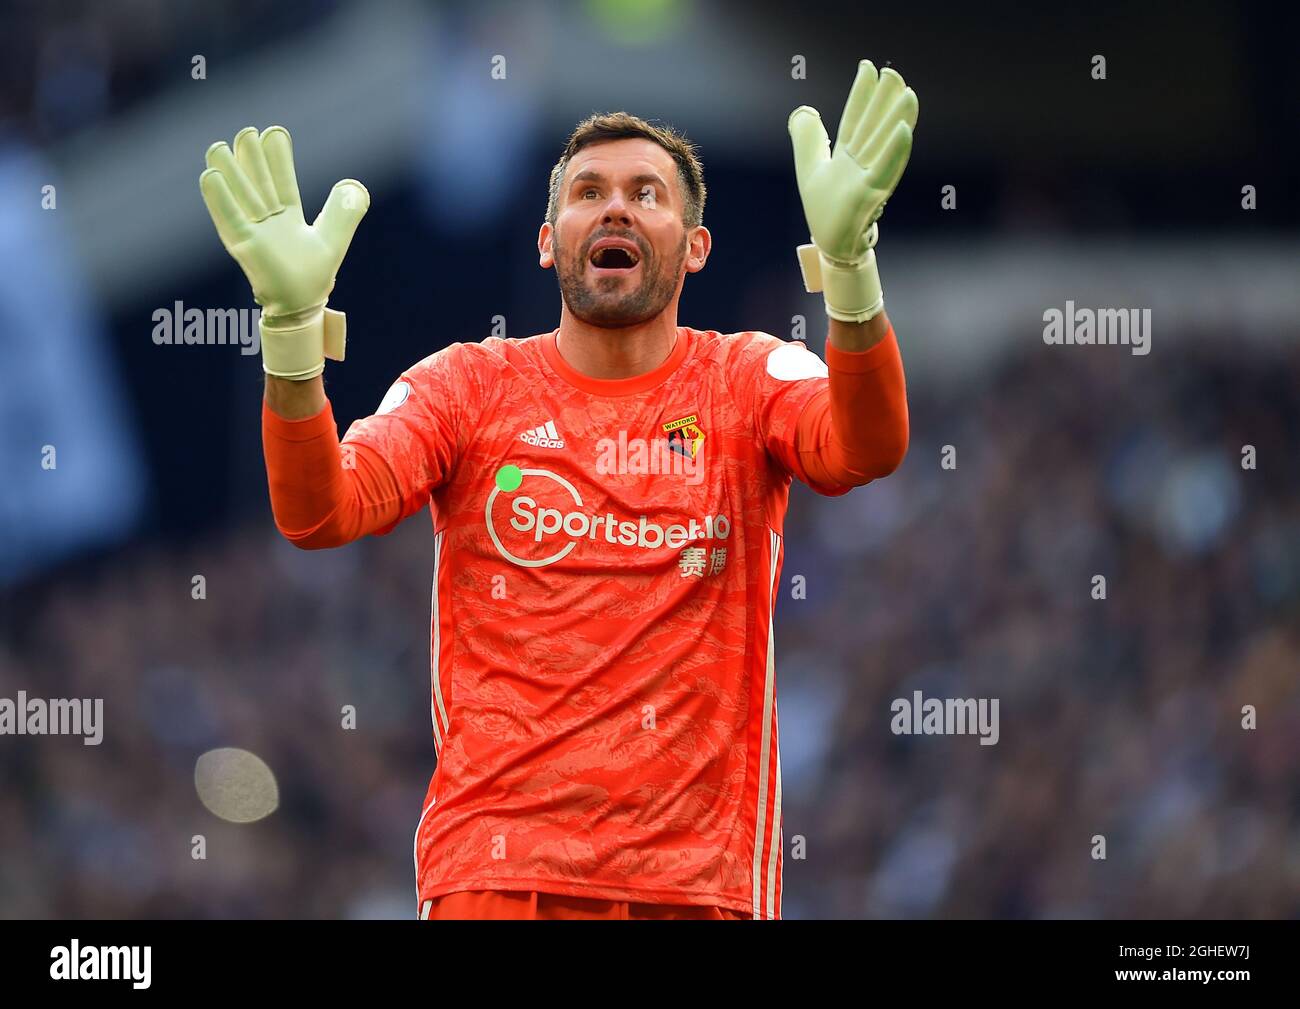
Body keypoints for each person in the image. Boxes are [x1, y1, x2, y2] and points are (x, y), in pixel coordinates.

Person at [198, 59, 917, 920]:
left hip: (695, 886)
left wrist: (850, 272)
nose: (615, 205)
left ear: (695, 248)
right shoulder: (464, 385)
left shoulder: (749, 375)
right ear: (549, 242)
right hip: (498, 879)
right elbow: (318, 511)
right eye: (587, 191)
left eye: (647, 192)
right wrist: (289, 338)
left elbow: (867, 447)